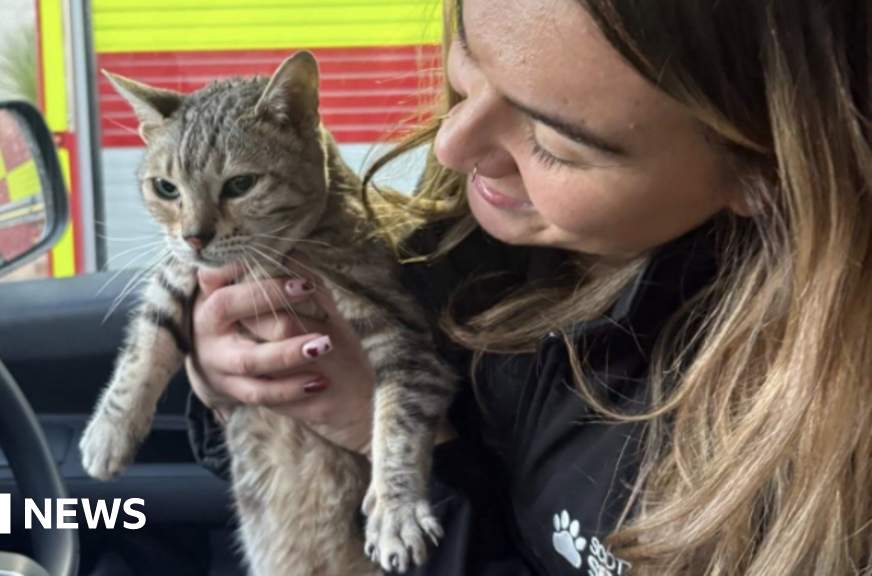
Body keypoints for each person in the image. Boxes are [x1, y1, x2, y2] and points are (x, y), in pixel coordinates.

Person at [184, 0, 872, 574]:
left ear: (765, 172)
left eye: (554, 142)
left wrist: (411, 451)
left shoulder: (795, 462)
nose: (450, 144)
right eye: (468, 60)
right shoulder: (454, 251)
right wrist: (248, 390)